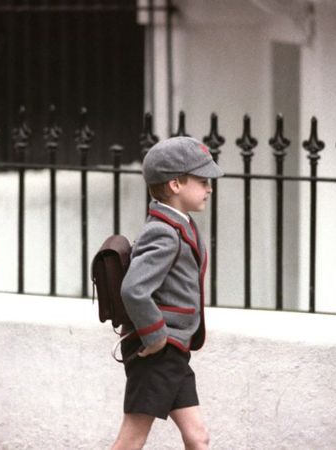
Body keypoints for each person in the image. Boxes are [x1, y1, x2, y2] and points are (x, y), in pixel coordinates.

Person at [112, 137, 223, 450]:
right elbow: (134, 289)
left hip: (173, 351)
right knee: (131, 440)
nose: (209, 188)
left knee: (198, 437)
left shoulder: (178, 224)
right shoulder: (162, 230)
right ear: (175, 184)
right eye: (203, 181)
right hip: (157, 352)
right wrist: (156, 336)